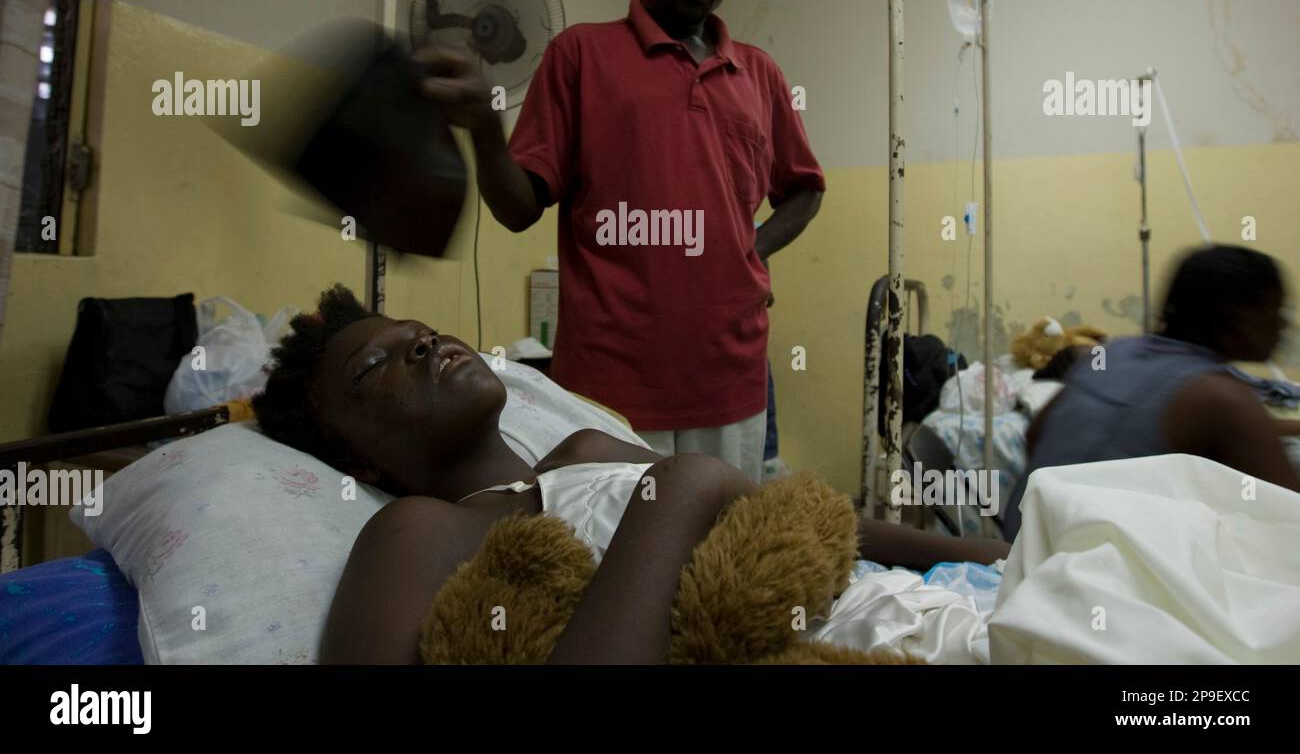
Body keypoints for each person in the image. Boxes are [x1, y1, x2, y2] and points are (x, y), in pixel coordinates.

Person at [252, 285, 1008, 665]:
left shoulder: (586, 446)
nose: (424, 344)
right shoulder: (419, 530)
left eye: (421, 332)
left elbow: (797, 518)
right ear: (356, 458)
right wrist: (679, 495)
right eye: (375, 364)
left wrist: (990, 555)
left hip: (917, 604)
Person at [413, 0, 825, 482]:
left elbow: (805, 188)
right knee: (609, 551)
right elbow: (518, 207)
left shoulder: (759, 74)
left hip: (731, 373)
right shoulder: (581, 54)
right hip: (611, 379)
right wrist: (483, 125)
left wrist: (749, 251)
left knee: (721, 551)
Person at [1001, 245, 1300, 540]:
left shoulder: (1111, 354)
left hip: (1022, 539)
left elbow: (1037, 435)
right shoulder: (1223, 397)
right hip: (1093, 573)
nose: (1286, 323)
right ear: (1240, 320)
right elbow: (1290, 514)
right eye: (1277, 310)